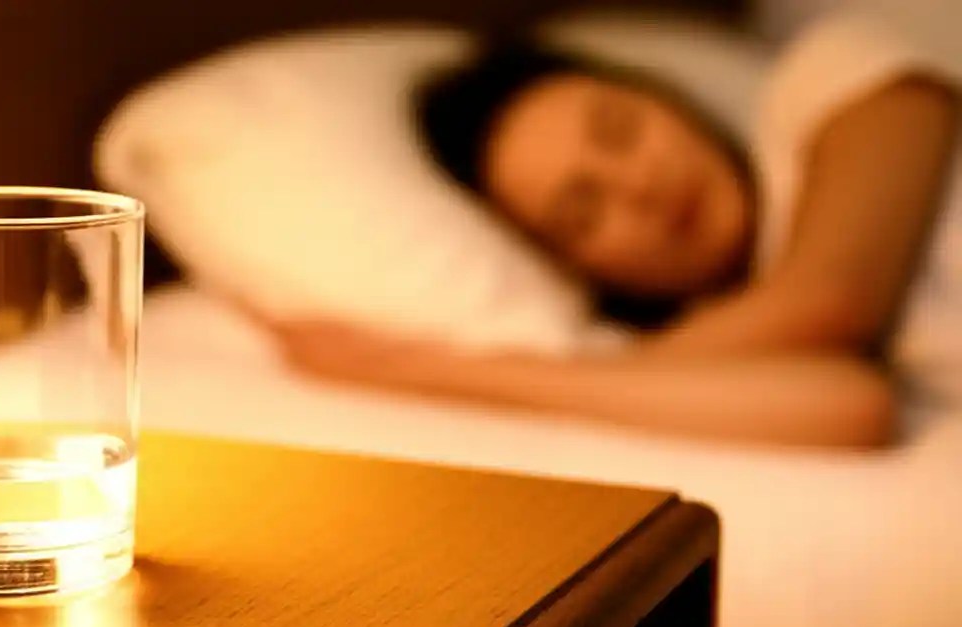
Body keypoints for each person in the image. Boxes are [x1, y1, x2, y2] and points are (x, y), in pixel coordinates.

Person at [259, 14, 961, 448]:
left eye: (620, 131)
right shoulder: (708, 339)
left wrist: (429, 370)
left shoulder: (837, 83)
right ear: (578, 269)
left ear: (661, 95)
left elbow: (828, 302)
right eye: (582, 211)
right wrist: (445, 376)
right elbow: (851, 410)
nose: (641, 187)